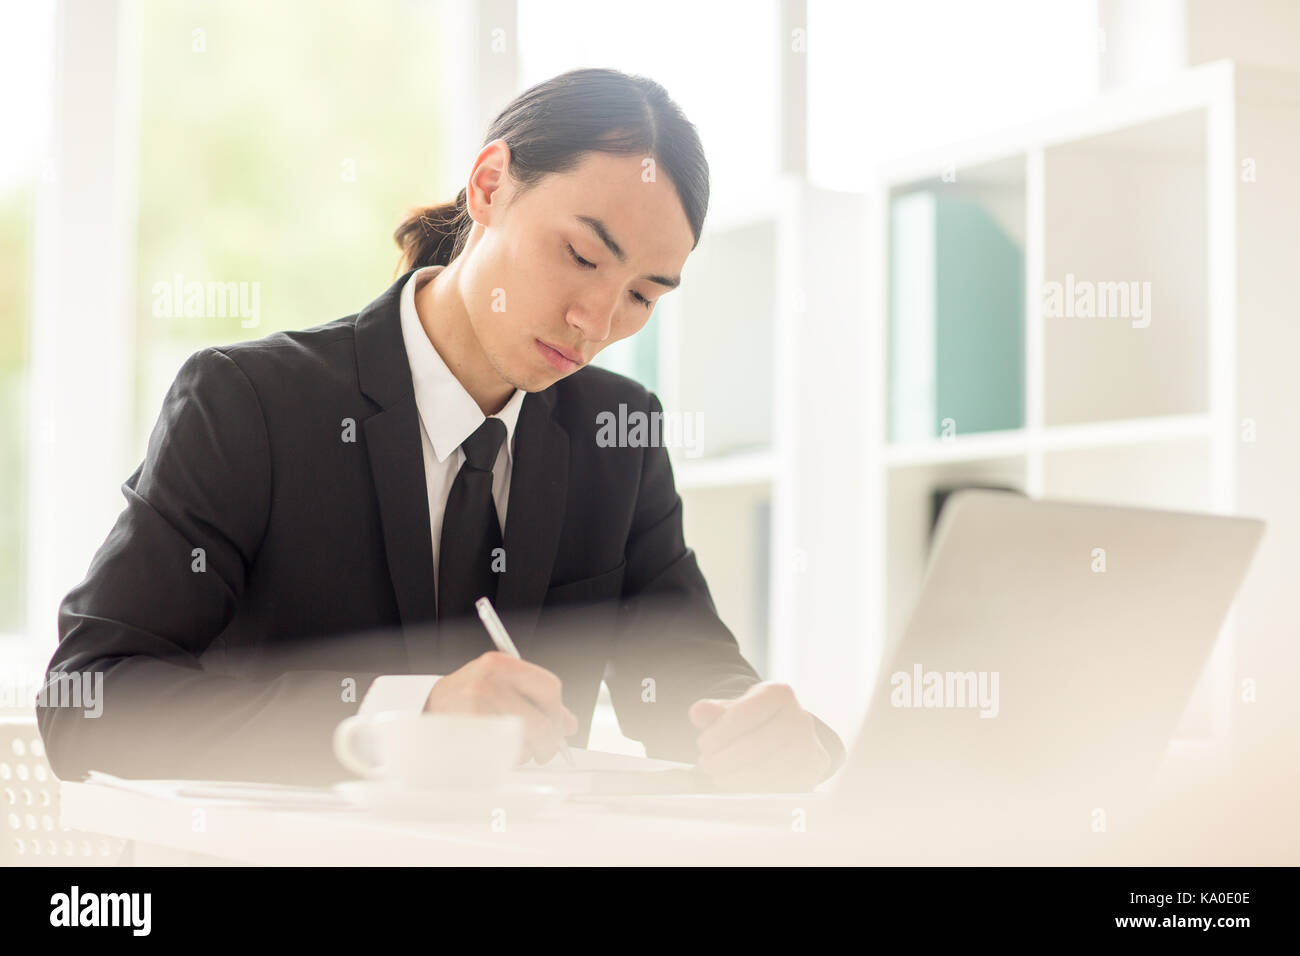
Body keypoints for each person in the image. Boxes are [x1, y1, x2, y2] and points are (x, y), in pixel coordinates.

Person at [37, 67, 845, 792]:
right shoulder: (248, 404)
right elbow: (92, 698)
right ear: (490, 186)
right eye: (582, 255)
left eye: (643, 296)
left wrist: (767, 734)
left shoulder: (617, 432)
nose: (595, 319)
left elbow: (686, 682)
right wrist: (404, 715)